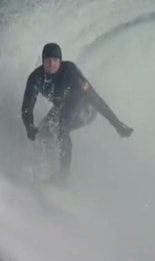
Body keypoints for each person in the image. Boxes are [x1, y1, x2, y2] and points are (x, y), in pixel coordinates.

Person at [20, 42, 133, 183]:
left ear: (60, 60)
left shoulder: (70, 71)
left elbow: (94, 99)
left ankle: (63, 176)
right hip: (63, 107)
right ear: (42, 60)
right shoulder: (35, 78)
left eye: (55, 60)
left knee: (61, 127)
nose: (51, 63)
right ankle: (49, 166)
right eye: (48, 59)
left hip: (86, 110)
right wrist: (29, 126)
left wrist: (116, 123)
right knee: (43, 131)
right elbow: (26, 108)